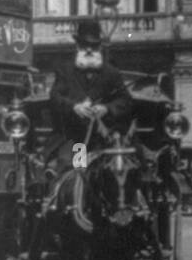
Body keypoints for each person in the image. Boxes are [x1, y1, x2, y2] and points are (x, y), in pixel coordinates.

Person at [46, 18, 133, 170]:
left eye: (93, 45)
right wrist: (74, 107)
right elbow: (55, 97)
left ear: (99, 46)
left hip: (105, 140)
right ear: (77, 45)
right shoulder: (65, 71)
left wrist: (106, 108)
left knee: (118, 173)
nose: (88, 50)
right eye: (84, 45)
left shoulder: (111, 73)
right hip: (77, 140)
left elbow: (125, 100)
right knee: (77, 171)